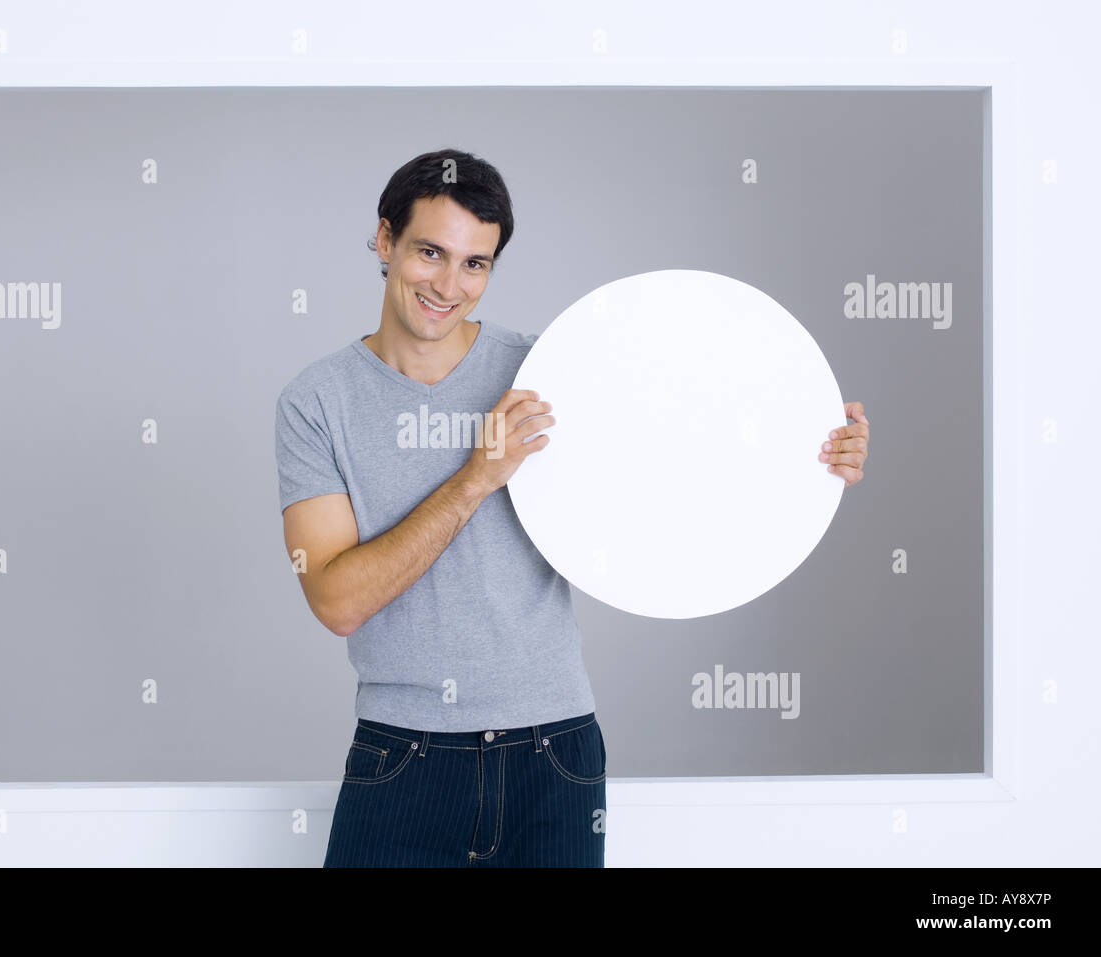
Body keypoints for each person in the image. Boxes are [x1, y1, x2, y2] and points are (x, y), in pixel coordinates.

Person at [274, 148, 871, 867]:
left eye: (475, 263)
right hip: (402, 752)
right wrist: (474, 478)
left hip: (553, 751)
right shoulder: (318, 402)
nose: (449, 284)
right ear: (383, 240)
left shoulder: (547, 371)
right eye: (430, 252)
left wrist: (810, 447)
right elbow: (337, 600)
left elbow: (684, 443)